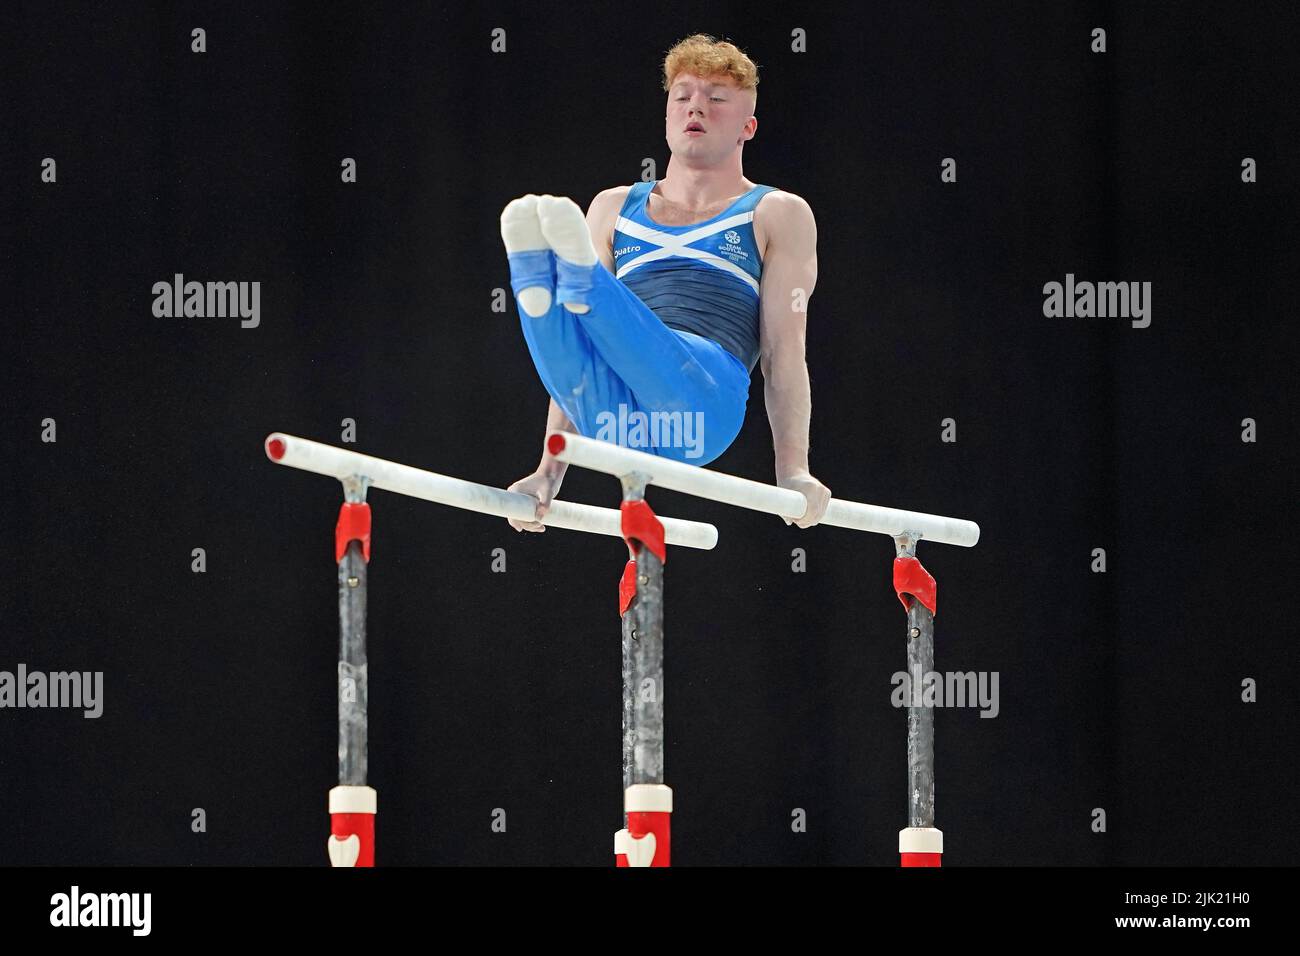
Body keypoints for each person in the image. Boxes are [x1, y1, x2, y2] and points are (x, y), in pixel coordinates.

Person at [502, 33, 831, 532]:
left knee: (598, 311)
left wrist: (794, 472)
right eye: (682, 96)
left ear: (748, 126)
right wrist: (548, 475)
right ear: (667, 116)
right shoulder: (613, 207)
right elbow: (583, 358)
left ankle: (574, 279)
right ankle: (538, 284)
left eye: (716, 98)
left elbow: (785, 352)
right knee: (577, 335)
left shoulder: (776, 213)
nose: (696, 106)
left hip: (703, 404)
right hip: (622, 429)